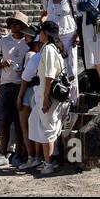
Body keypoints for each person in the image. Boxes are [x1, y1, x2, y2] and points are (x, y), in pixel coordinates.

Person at [29, 21, 69, 176]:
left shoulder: (49, 50)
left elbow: (49, 76)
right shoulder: (50, 48)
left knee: (48, 129)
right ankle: (47, 161)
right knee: (38, 124)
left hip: (49, 94)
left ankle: (49, 163)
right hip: (45, 93)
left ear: (45, 33)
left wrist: (46, 98)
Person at [0, 11, 30, 168]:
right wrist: (3, 63)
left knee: (20, 122)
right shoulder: (3, 41)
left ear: (23, 26)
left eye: (18, 24)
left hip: (21, 85)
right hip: (6, 85)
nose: (15, 26)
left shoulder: (28, 42)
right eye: (13, 23)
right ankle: (2, 152)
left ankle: (19, 152)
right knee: (3, 121)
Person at [43, 0, 79, 103]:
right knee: (57, 67)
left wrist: (78, 35)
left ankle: (74, 100)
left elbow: (79, 15)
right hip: (54, 37)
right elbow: (45, 13)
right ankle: (60, 97)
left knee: (72, 69)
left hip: (69, 35)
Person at [16, 25, 41, 169]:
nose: (25, 38)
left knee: (25, 126)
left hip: (28, 91)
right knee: (36, 125)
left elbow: (25, 78)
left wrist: (19, 96)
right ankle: (37, 156)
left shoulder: (31, 55)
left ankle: (32, 157)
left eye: (27, 36)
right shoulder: (41, 54)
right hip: (38, 90)